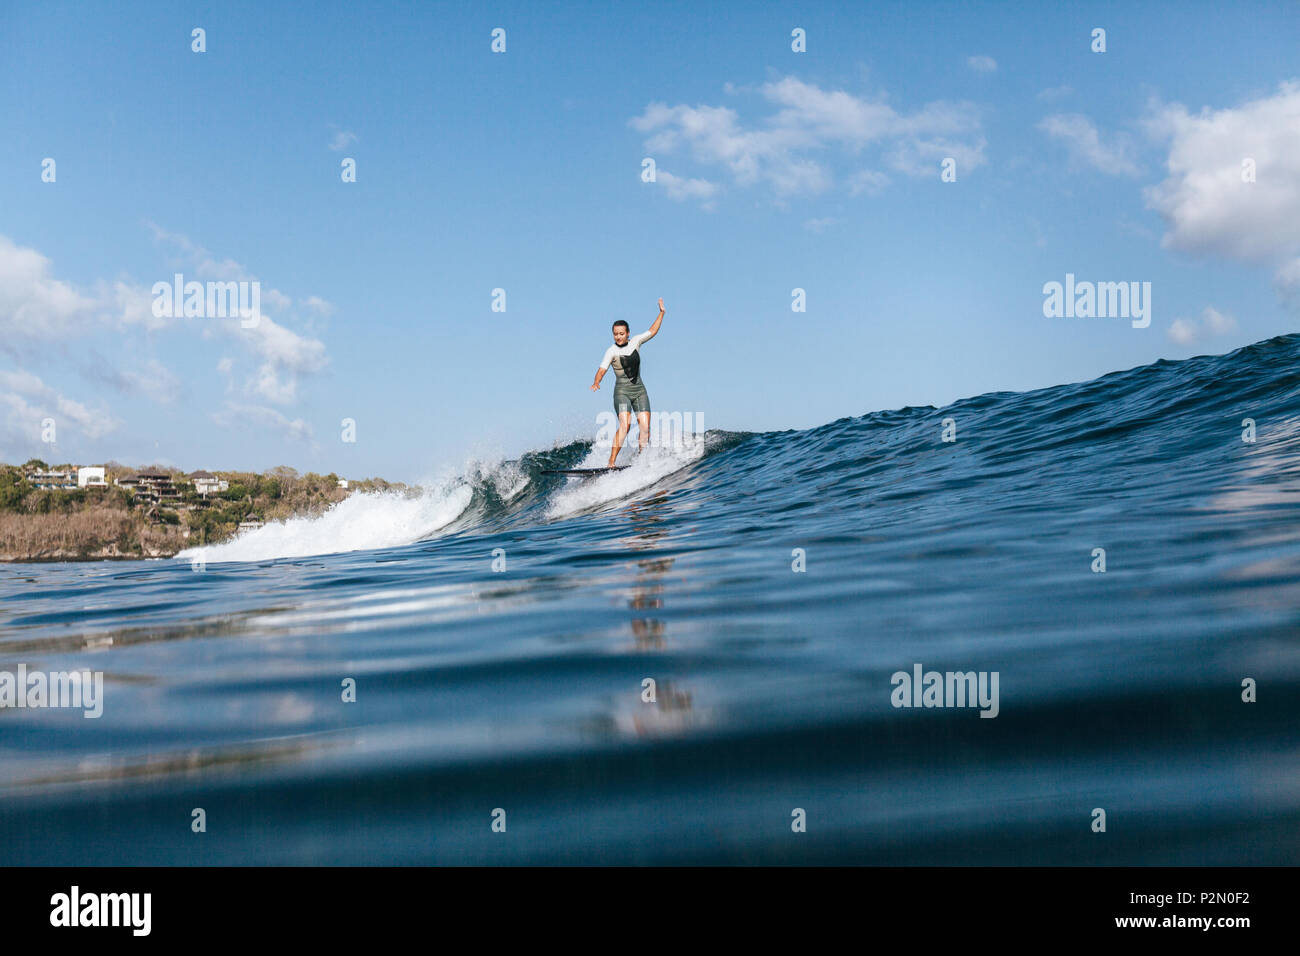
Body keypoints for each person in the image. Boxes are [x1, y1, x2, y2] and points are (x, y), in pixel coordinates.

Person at [591, 297, 665, 467]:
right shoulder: (611, 351)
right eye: (615, 334)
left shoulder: (636, 342)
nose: (618, 336)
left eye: (621, 333)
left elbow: (652, 331)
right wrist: (596, 382)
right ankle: (611, 462)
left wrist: (661, 313)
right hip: (622, 392)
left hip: (639, 391)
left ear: (628, 333)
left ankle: (643, 460)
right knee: (625, 425)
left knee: (645, 427)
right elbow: (602, 370)